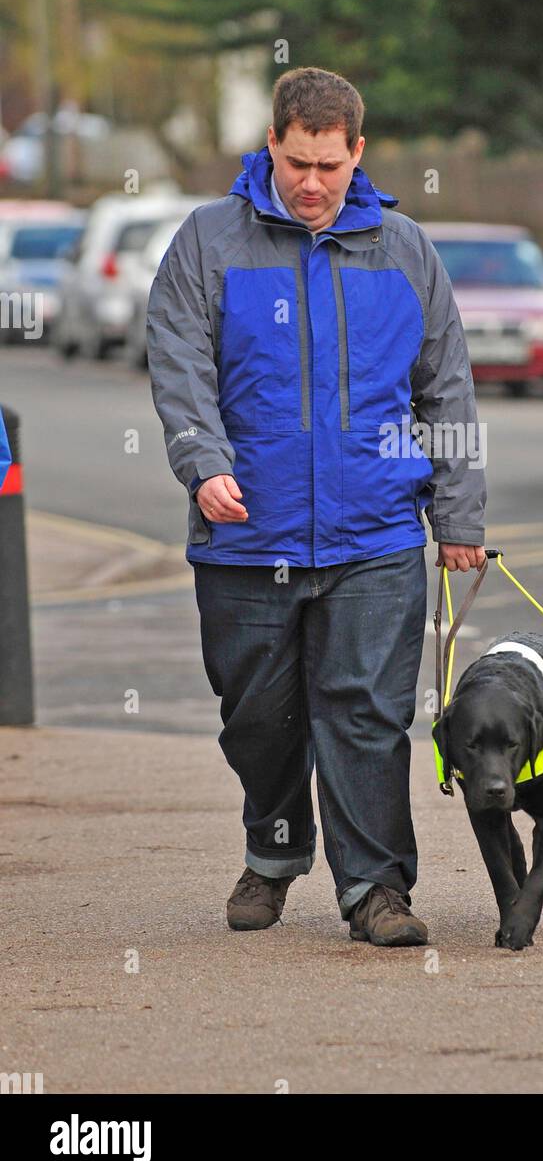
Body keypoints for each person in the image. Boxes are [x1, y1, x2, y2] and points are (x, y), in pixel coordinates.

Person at [146, 67, 486, 946]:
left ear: (357, 154)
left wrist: (460, 521)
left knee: (366, 714)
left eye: (330, 166)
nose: (311, 183)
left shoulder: (405, 250)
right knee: (256, 717)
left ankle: (376, 890)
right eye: (297, 162)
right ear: (271, 146)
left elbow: (446, 391)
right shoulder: (208, 241)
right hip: (243, 534)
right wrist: (201, 462)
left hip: (373, 534)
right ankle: (273, 851)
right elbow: (179, 361)